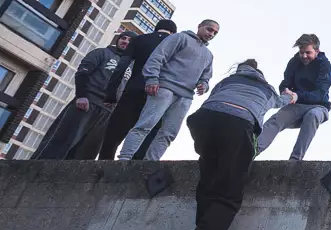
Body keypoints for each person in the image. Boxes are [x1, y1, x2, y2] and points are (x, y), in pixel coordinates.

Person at [164, 59, 295, 230]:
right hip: (238, 123)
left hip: (203, 121)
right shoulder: (265, 88)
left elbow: (214, 100)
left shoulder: (228, 80)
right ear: (261, 75)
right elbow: (281, 101)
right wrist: (291, 97)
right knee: (229, 193)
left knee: (209, 179)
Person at [117, 19, 218, 161]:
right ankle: (124, 159)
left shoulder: (208, 55)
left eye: (215, 32)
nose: (211, 34)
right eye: (209, 29)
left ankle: (150, 164)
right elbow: (158, 57)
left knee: (169, 133)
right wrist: (152, 79)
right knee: (145, 125)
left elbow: (206, 77)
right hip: (165, 88)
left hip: (185, 97)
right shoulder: (180, 38)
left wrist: (204, 85)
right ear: (200, 26)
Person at [34, 31, 135, 160]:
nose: (125, 41)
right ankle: (38, 172)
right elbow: (82, 73)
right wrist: (81, 95)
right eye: (123, 38)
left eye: (129, 40)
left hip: (108, 112)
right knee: (62, 142)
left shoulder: (132, 66)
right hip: (87, 103)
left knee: (87, 152)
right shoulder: (102, 53)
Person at [98, 19, 178, 161]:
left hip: (134, 89)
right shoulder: (175, 44)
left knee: (115, 131)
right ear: (172, 32)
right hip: (159, 93)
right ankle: (135, 168)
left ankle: (104, 164)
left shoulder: (139, 40)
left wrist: (110, 95)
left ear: (156, 28)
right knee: (148, 132)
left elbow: (121, 67)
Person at [255, 34, 331, 161]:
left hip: (319, 106)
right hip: (296, 105)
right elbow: (286, 82)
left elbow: (320, 93)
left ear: (317, 51)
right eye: (301, 52)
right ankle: (252, 150)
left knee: (312, 115)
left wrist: (298, 95)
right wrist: (285, 91)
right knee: (276, 119)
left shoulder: (324, 65)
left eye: (308, 53)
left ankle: (295, 160)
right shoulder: (294, 62)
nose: (304, 56)